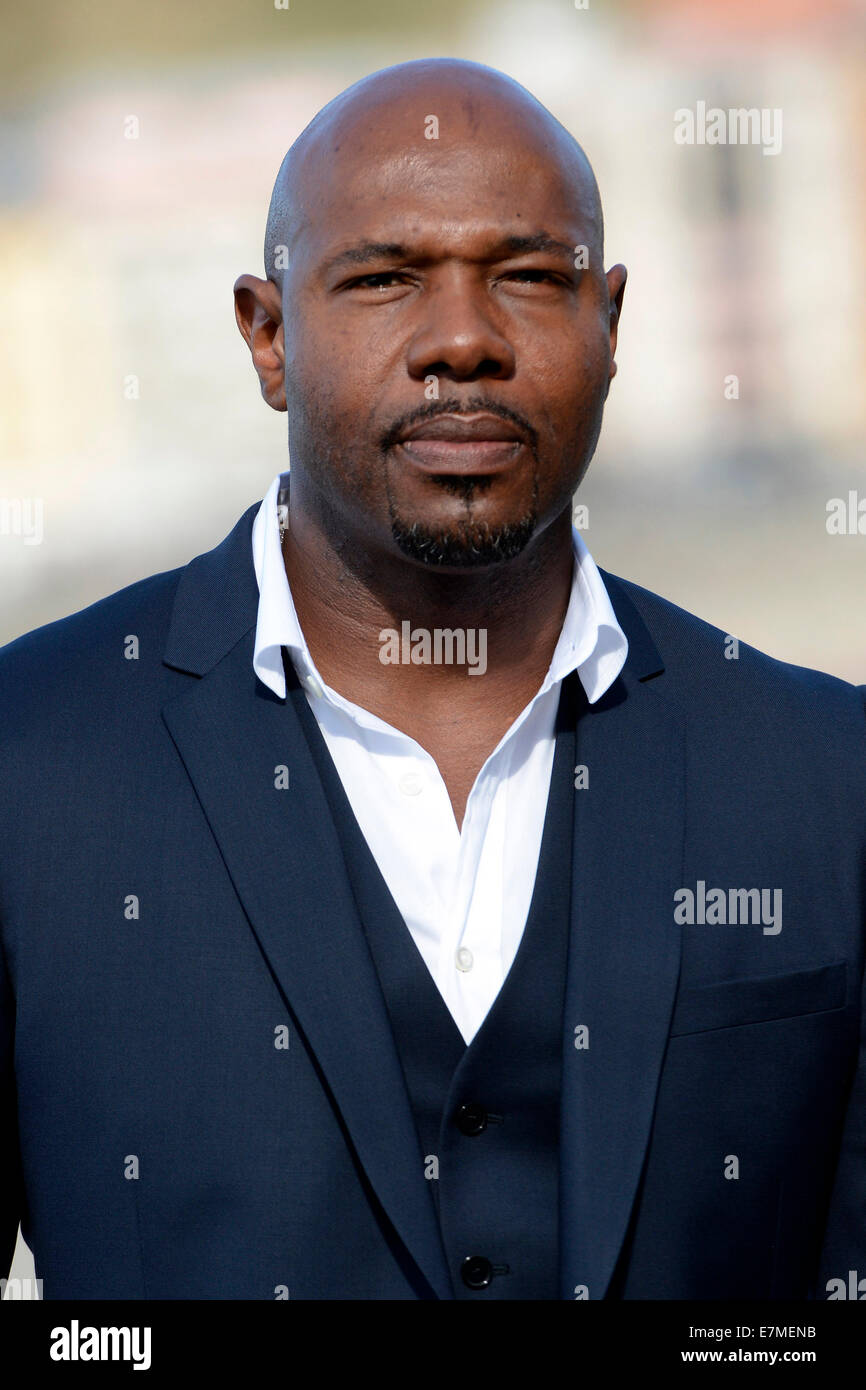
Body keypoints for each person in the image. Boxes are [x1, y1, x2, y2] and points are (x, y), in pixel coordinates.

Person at [1, 57, 863, 1301]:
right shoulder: (31, 766)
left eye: (525, 275)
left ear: (609, 325)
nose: (461, 340)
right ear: (267, 333)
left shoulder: (824, 779)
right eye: (383, 279)